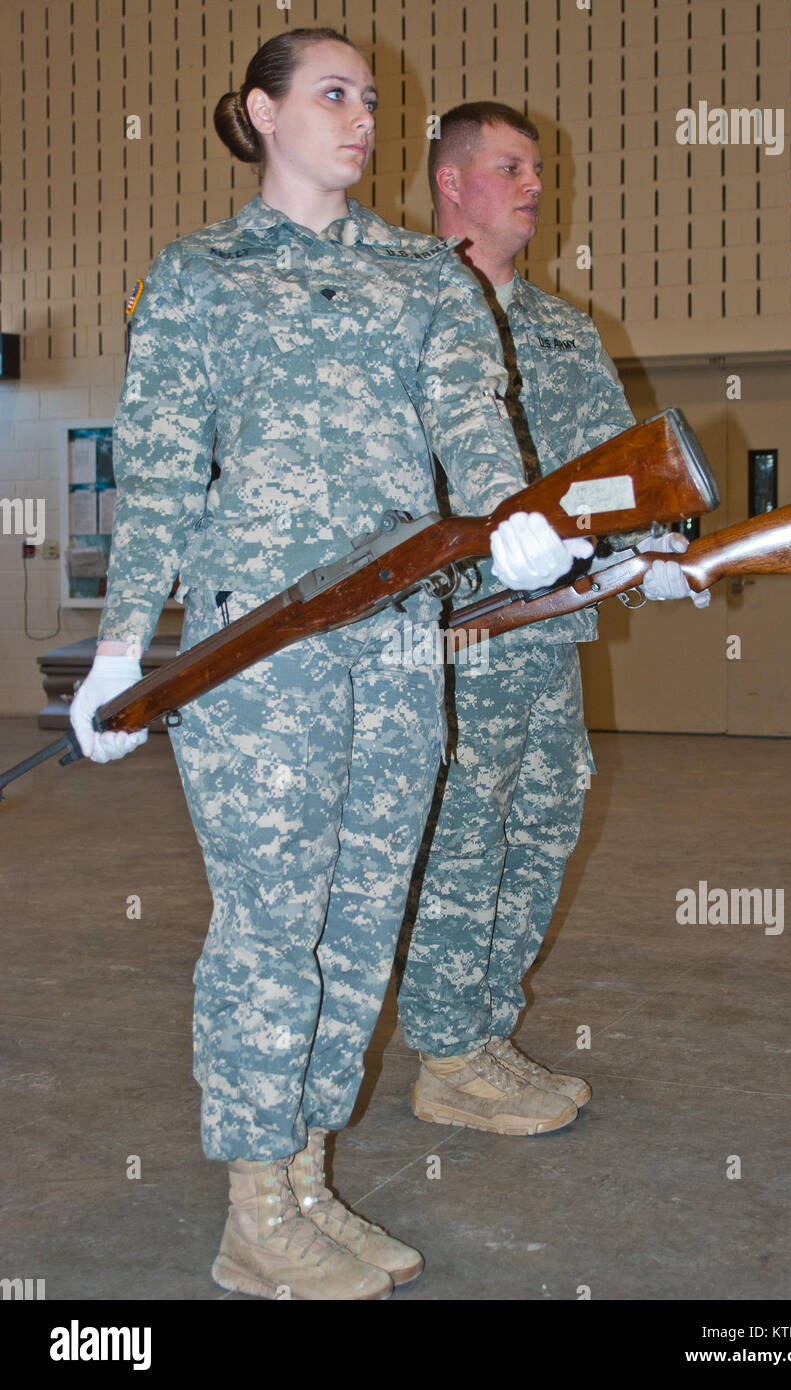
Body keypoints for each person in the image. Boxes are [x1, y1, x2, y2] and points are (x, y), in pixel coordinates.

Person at [68, 44, 592, 1300]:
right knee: (271, 927)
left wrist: (509, 521)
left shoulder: (421, 275)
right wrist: (121, 641)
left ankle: (305, 1179)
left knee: (361, 922)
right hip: (261, 655)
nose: (364, 119)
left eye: (370, 100)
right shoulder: (203, 274)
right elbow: (159, 464)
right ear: (263, 116)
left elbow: (470, 423)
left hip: (403, 642)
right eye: (335, 97)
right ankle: (255, 1208)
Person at [398, 103, 709, 1136]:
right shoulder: (400, 314)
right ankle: (444, 1051)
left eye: (538, 167)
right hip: (457, 632)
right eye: (509, 167)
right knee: (462, 832)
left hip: (553, 631)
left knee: (543, 820)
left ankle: (485, 1032)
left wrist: (652, 557)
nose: (533, 184)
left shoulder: (566, 331)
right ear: (451, 182)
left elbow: (617, 483)